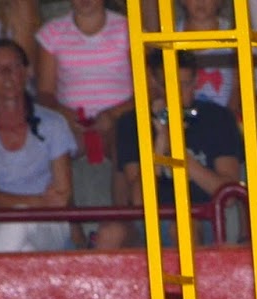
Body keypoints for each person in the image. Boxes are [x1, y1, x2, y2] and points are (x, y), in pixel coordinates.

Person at [95, 51, 242, 250]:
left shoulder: (217, 118)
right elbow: (139, 200)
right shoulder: (132, 123)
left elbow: (229, 195)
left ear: (196, 81)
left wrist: (176, 148)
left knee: (182, 229)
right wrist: (160, 143)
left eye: (185, 85)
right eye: (168, 85)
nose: (177, 93)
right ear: (154, 83)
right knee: (108, 235)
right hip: (146, 220)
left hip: (202, 216)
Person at [0, 37, 71, 251]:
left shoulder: (54, 123)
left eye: (15, 66)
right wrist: (39, 201)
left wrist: (38, 207)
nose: (7, 74)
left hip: (47, 223)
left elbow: (62, 195)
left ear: (27, 72)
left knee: (19, 223)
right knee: (24, 248)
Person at [35, 0, 132, 174]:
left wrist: (113, 115)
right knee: (53, 147)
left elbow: (147, 90)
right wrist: (64, 114)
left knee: (125, 146)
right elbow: (44, 93)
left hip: (118, 120)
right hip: (72, 122)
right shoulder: (52, 32)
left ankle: (125, 201)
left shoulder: (128, 29)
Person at [175, 0, 237, 112]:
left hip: (223, 114)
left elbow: (238, 85)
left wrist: (229, 116)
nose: (201, 2)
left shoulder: (232, 35)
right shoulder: (171, 36)